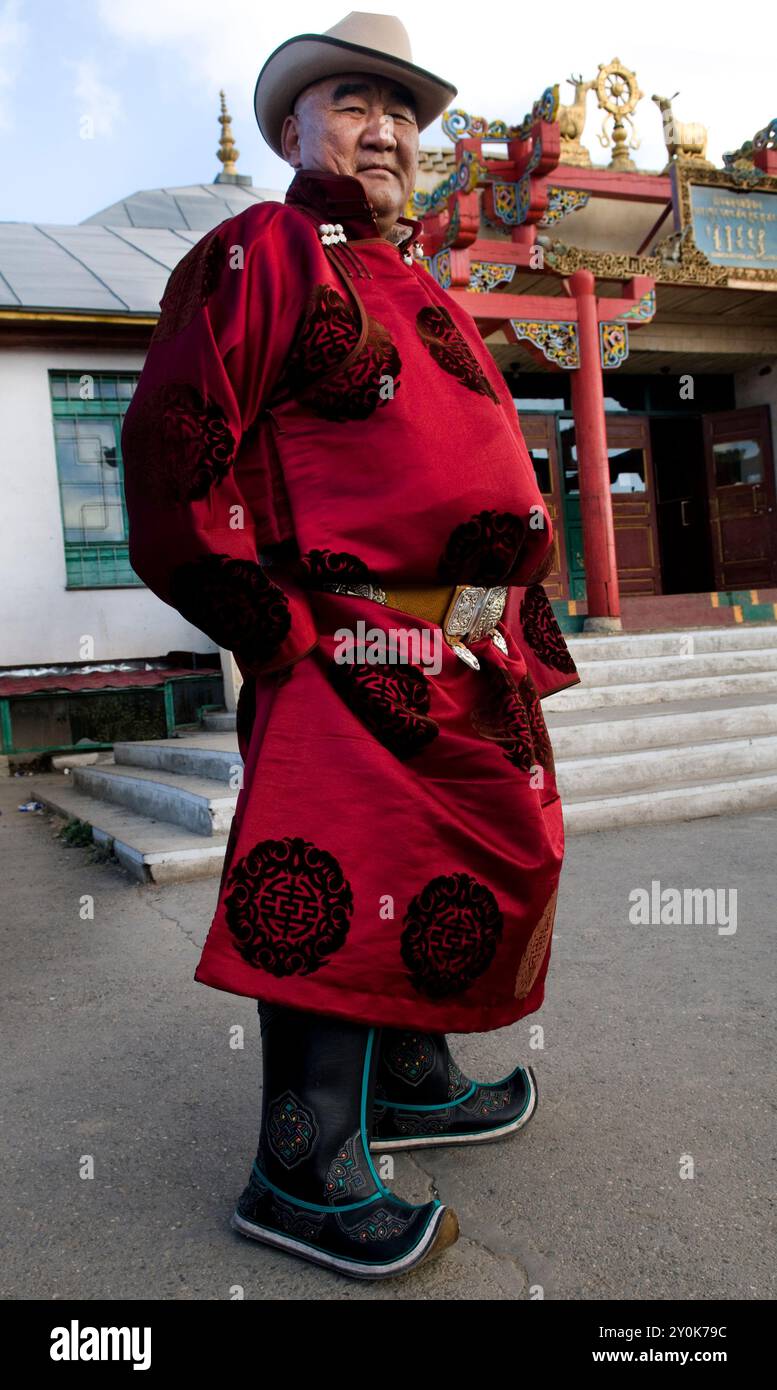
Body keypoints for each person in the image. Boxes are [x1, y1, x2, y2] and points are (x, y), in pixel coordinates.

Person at [121, 10, 581, 1282]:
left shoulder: (410, 272)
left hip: (459, 636)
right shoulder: (264, 248)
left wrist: (503, 622)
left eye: (405, 114)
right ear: (291, 128)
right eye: (353, 103)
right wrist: (273, 629)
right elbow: (174, 445)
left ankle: (414, 1080)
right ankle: (300, 1167)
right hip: (344, 639)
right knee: (333, 879)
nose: (385, 131)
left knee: (490, 848)